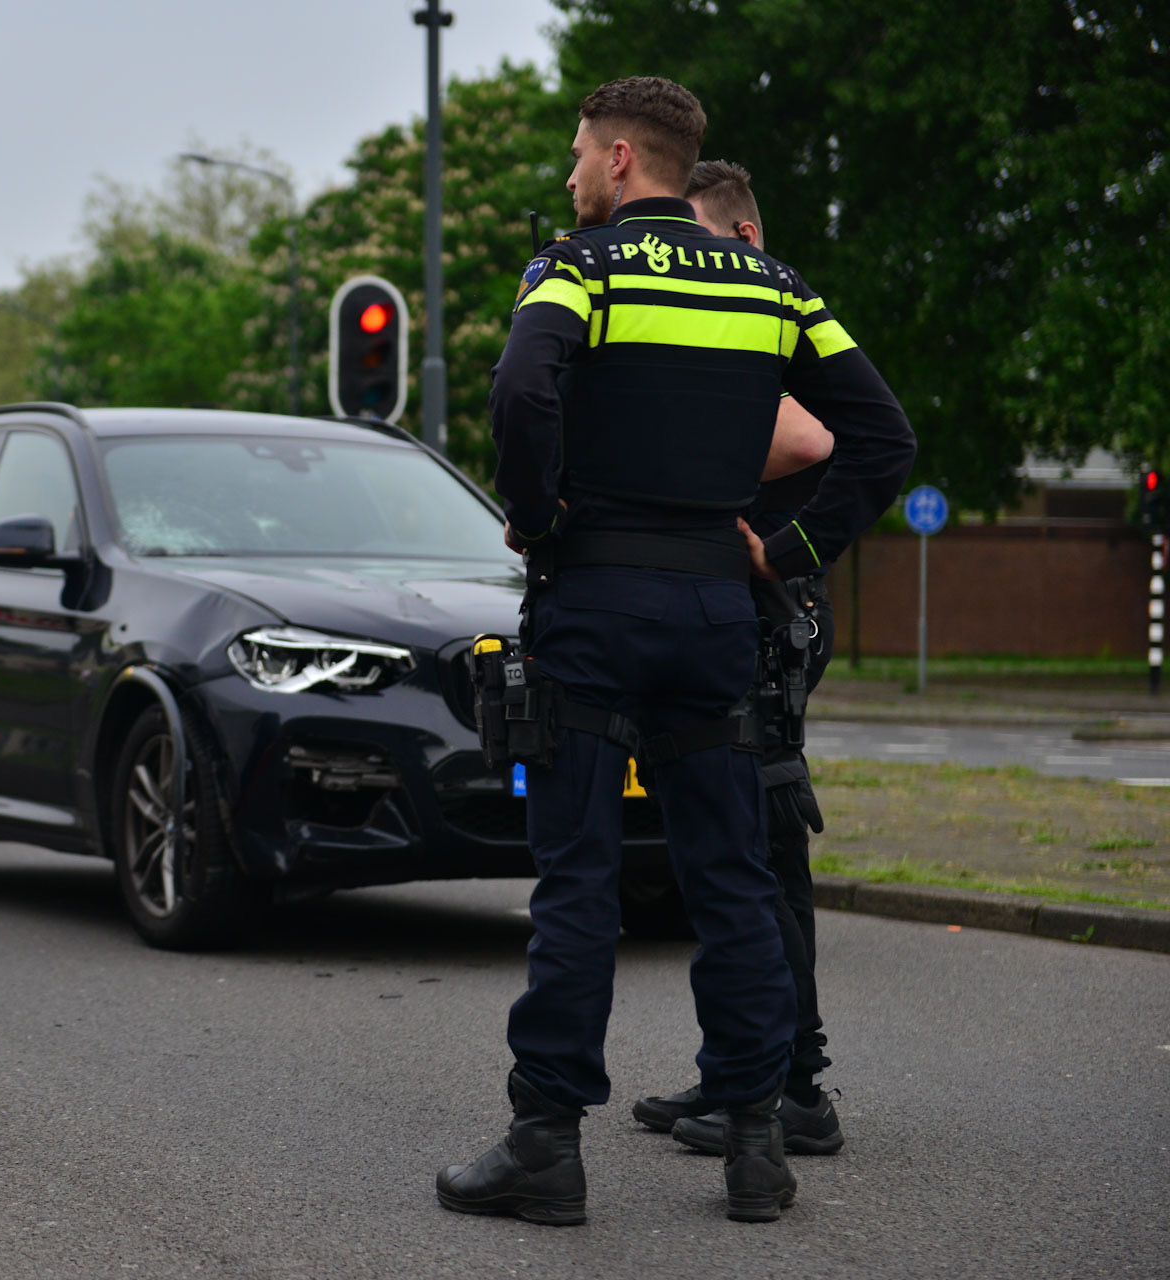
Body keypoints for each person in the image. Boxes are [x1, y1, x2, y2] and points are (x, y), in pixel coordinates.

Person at [433, 76, 914, 1225]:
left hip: (596, 602)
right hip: (715, 611)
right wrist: (786, 552)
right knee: (730, 877)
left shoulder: (577, 270)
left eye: (577, 156)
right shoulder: (776, 285)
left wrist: (540, 516)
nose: (570, 177)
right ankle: (756, 1145)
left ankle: (546, 1145)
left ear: (618, 159)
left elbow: (522, 388)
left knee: (578, 877)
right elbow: (883, 438)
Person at [632, 159, 847, 1158]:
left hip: (767, 614)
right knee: (735, 850)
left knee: (759, 855)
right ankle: (743, 1070)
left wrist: (672, 462)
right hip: (747, 611)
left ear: (745, 240)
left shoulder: (768, 321)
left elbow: (809, 439)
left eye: (698, 244)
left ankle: (791, 1087)